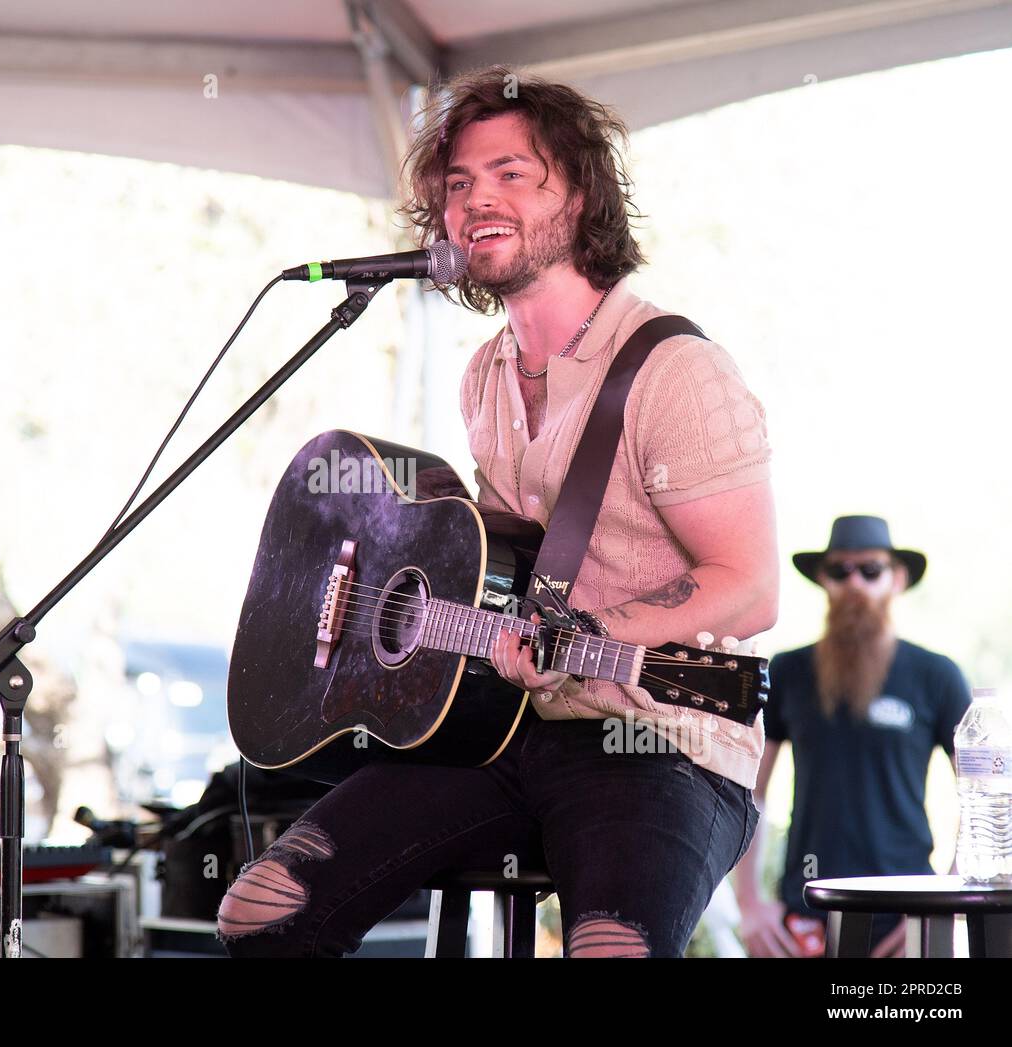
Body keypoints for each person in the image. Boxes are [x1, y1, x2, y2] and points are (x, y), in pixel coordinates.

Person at [217, 66, 778, 957]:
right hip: (507, 733)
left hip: (657, 737)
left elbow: (749, 588)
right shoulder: (485, 374)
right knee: (262, 908)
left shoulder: (675, 370)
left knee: (607, 948)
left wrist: (590, 630)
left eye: (512, 174)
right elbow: (488, 562)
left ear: (581, 193)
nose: (477, 198)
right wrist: (384, 623)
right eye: (459, 183)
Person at [735, 515, 970, 957]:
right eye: (840, 571)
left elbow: (980, 800)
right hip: (807, 909)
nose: (855, 583)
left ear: (897, 579)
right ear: (823, 579)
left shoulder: (936, 676)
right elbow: (751, 792)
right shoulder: (787, 671)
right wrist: (749, 903)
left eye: (871, 570)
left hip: (910, 913)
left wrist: (945, 902)